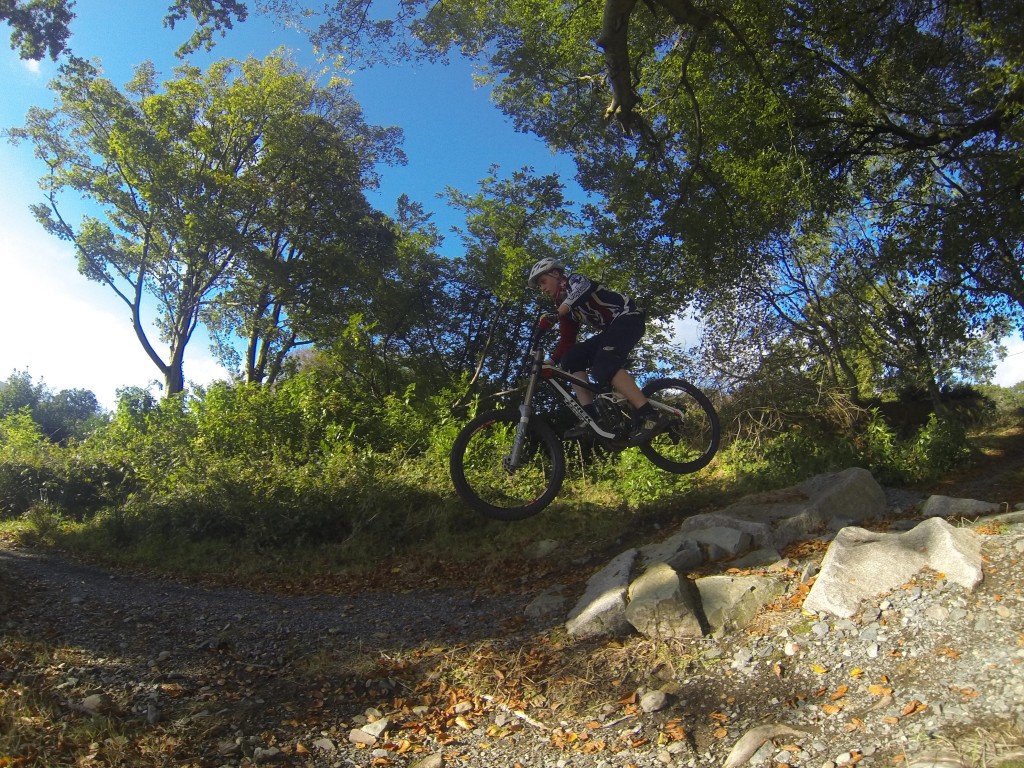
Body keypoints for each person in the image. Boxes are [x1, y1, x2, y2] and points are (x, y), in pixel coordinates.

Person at [528, 257, 670, 446]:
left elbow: (581, 291)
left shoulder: (575, 281)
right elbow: (567, 343)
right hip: (610, 331)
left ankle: (649, 415)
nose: (543, 289)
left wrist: (557, 313)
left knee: (603, 365)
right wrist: (549, 362)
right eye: (540, 286)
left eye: (543, 282)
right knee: (571, 358)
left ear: (555, 273)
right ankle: (591, 417)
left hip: (628, 318)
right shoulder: (565, 308)